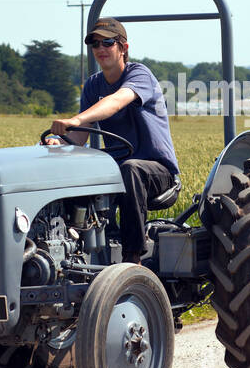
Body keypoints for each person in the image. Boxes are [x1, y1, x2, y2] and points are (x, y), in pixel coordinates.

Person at [45, 16, 179, 264]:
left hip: (156, 172)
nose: (100, 49)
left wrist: (75, 118)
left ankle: (132, 257)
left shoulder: (139, 75)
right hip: (115, 171)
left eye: (107, 42)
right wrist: (60, 142)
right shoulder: (93, 85)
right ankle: (74, 251)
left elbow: (116, 101)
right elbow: (80, 135)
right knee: (73, 170)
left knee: (130, 169)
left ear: (123, 48)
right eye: (95, 44)